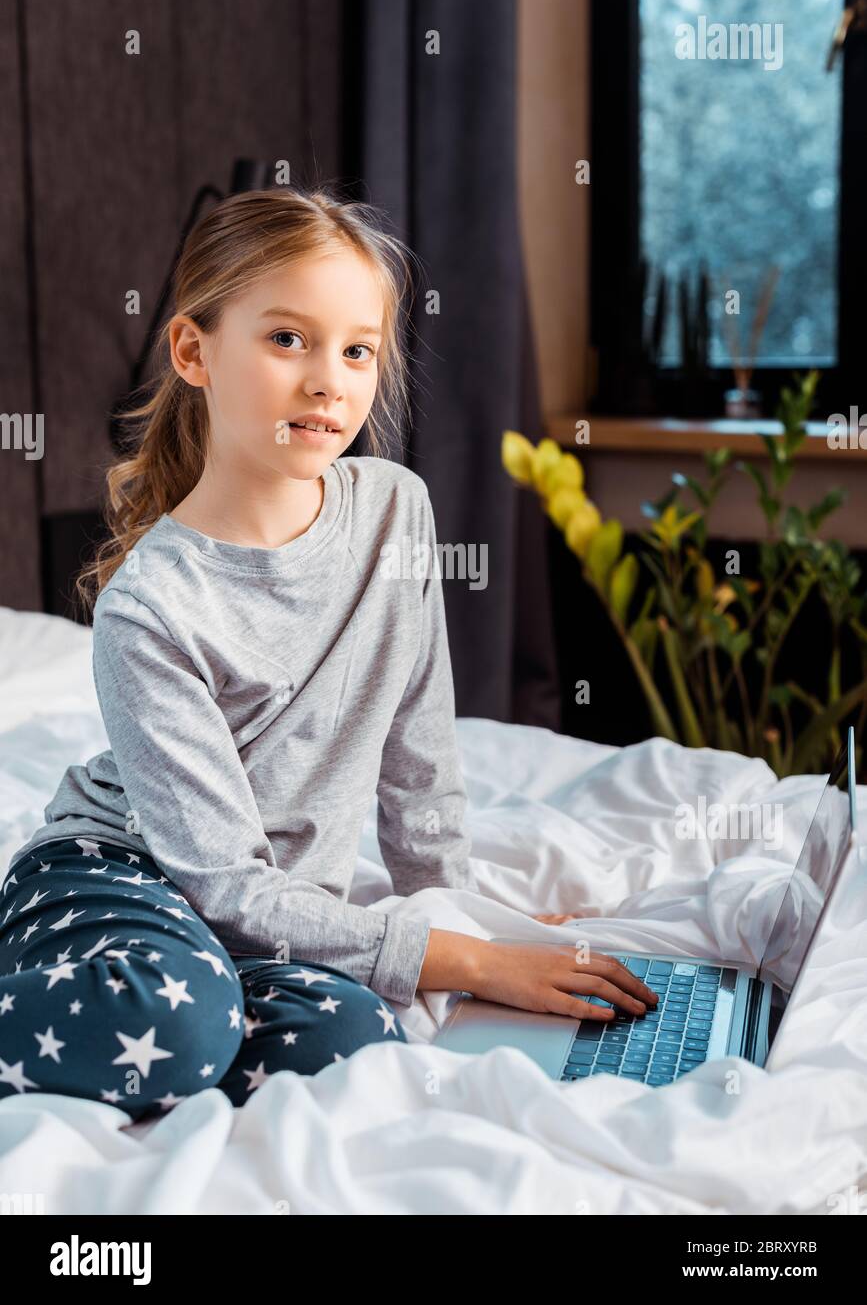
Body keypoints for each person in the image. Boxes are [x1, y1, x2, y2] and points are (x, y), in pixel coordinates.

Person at [0, 186, 655, 1119]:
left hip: (257, 912)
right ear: (192, 351)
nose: (329, 382)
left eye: (356, 350)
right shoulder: (150, 607)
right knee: (180, 1026)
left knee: (354, 1043)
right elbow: (221, 877)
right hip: (120, 872)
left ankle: (194, 1013)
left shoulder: (394, 508)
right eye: (286, 340)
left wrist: (458, 922)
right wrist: (472, 963)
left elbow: (417, 758)